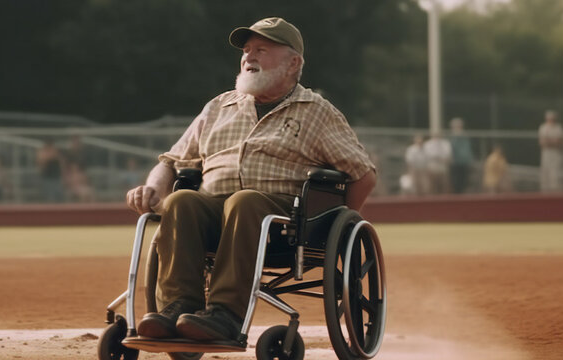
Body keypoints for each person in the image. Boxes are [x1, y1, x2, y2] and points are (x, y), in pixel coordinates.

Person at [126, 17, 377, 342]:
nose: (249, 57)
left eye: (262, 49)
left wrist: (333, 231)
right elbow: (172, 161)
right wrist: (153, 186)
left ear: (293, 63)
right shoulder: (220, 106)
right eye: (246, 50)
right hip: (214, 210)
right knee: (180, 200)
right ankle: (177, 308)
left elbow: (362, 174)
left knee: (244, 201)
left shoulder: (316, 111)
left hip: (282, 221)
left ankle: (225, 315)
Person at [538, 110, 563, 192]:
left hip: (556, 155)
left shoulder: (558, 128)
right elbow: (542, 142)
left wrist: (549, 141)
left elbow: (560, 142)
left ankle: (555, 191)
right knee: (545, 173)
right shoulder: (543, 128)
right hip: (546, 154)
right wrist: (552, 141)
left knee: (555, 174)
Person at [448, 117, 473, 194]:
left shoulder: (465, 136)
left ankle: (462, 193)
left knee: (464, 179)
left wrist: (470, 159)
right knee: (456, 180)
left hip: (464, 162)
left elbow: (467, 149)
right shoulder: (452, 137)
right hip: (455, 162)